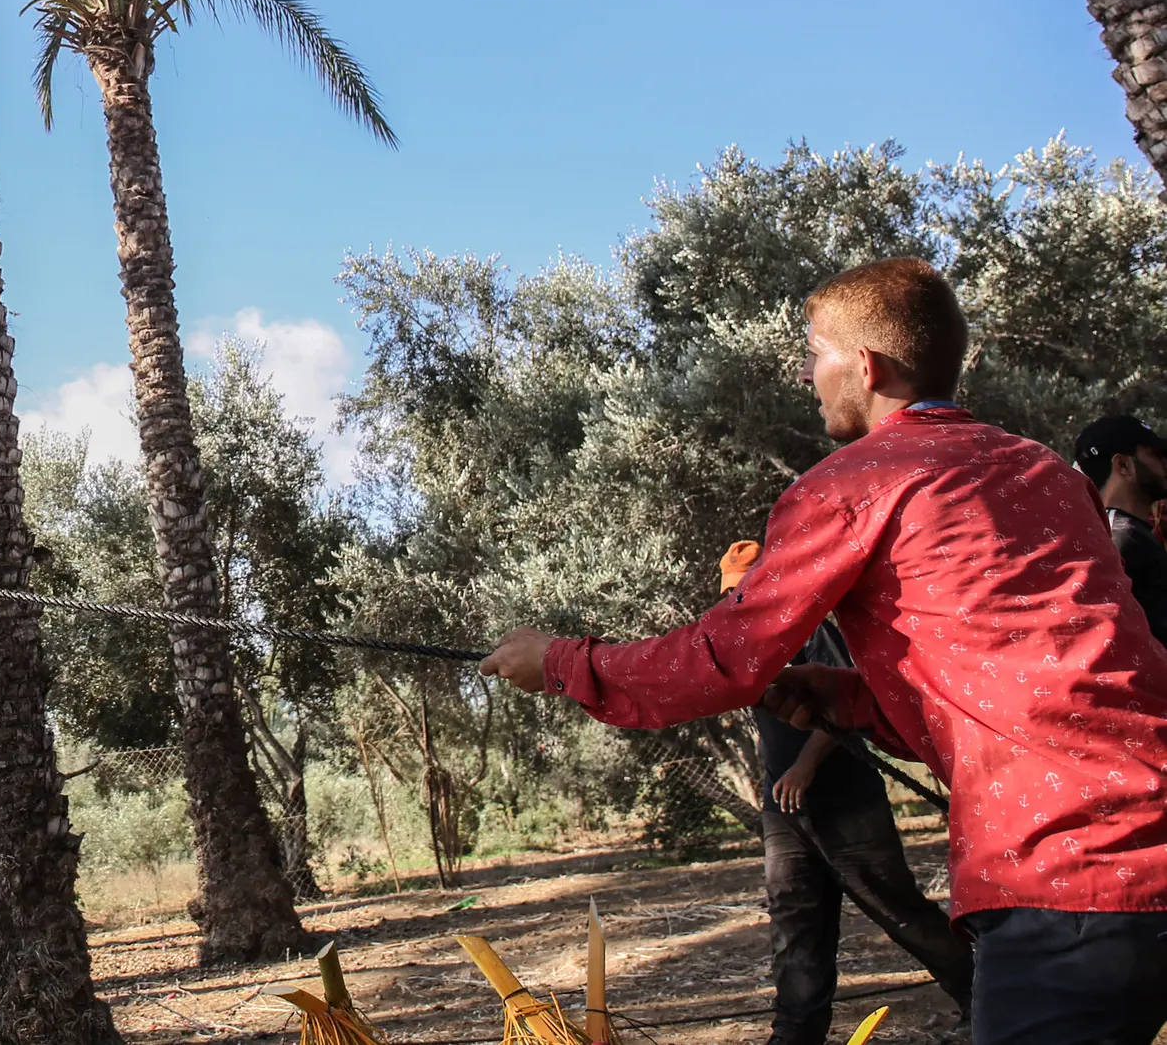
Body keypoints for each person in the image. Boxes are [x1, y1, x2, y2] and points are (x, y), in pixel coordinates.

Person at [477, 257, 1167, 1045]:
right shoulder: (1048, 473)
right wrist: (851, 701)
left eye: (814, 353)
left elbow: (719, 658)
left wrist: (562, 662)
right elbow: (1051, 672)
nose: (809, 375)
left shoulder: (856, 484)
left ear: (865, 366)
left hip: (1070, 874)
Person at [717, 543, 973, 1044]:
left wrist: (804, 768)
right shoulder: (743, 645)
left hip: (847, 802)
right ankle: (795, 1032)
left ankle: (981, 994)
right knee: (794, 921)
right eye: (730, 594)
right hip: (785, 813)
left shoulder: (811, 630)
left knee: (895, 908)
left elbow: (850, 706)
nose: (736, 602)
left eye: (744, 590)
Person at [1072, 413, 1167, 641]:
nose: (1165, 464)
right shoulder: (1119, 538)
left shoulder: (1125, 532)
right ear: (1123, 465)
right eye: (1157, 455)